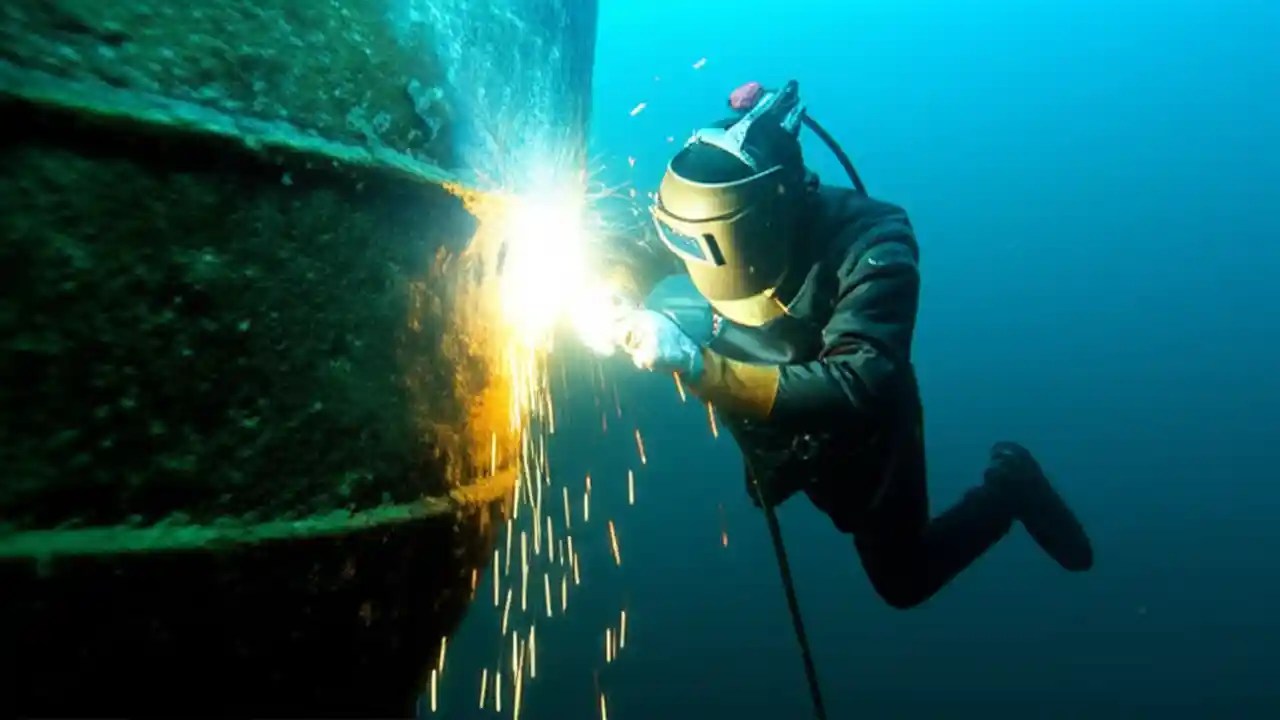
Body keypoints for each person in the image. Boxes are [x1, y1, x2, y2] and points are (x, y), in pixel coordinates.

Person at [600, 81, 1093, 609]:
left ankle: (1009, 487)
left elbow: (861, 380)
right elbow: (646, 242)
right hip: (764, 391)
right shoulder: (704, 216)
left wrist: (699, 367)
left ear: (767, 214)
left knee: (901, 578)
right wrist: (614, 288)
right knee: (778, 486)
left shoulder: (875, 244)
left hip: (860, 427)